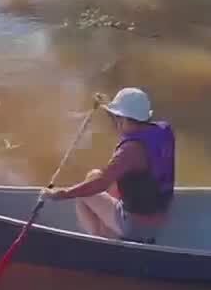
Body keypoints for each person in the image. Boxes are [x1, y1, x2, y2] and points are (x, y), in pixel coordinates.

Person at [44, 87, 175, 243]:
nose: (115, 123)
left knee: (83, 193)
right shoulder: (164, 131)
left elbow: (100, 184)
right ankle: (111, 232)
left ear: (123, 119)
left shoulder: (130, 150)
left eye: (116, 119)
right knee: (93, 174)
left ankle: (100, 241)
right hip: (161, 215)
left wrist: (62, 194)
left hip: (137, 226)